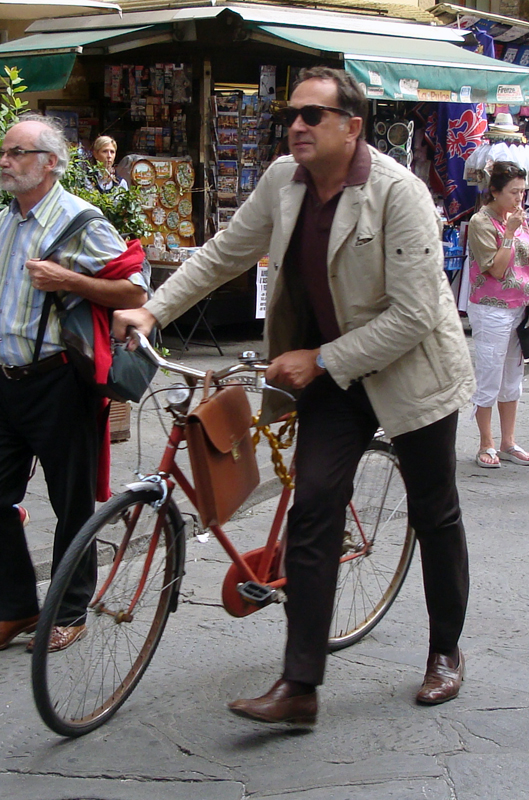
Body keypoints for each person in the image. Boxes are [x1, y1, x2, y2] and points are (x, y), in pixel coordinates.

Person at [114, 67, 475, 723]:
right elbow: (223, 253)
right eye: (291, 115)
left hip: (410, 372)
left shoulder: (398, 193)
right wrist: (153, 309)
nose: (296, 126)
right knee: (312, 509)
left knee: (434, 512)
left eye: (312, 115)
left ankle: (444, 651)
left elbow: (417, 314)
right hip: (331, 379)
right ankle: (299, 687)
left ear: (352, 126)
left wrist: (322, 357)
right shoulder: (285, 180)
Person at [0, 115, 148, 652]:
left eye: (16, 152)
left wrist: (67, 279)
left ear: (50, 163)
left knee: (72, 504)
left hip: (60, 381)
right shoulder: (5, 220)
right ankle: (17, 606)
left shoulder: (79, 220)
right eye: (3, 152)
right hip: (7, 380)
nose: (4, 161)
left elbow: (135, 290)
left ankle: (70, 610)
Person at [467, 161, 529, 468]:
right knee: (489, 373)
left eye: (523, 191)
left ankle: (508, 441)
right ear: (495, 191)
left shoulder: (519, 218)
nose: (519, 198)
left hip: (519, 306)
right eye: (513, 192)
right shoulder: (481, 221)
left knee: (512, 376)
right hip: (491, 308)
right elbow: (497, 269)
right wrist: (510, 233)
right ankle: (486, 442)